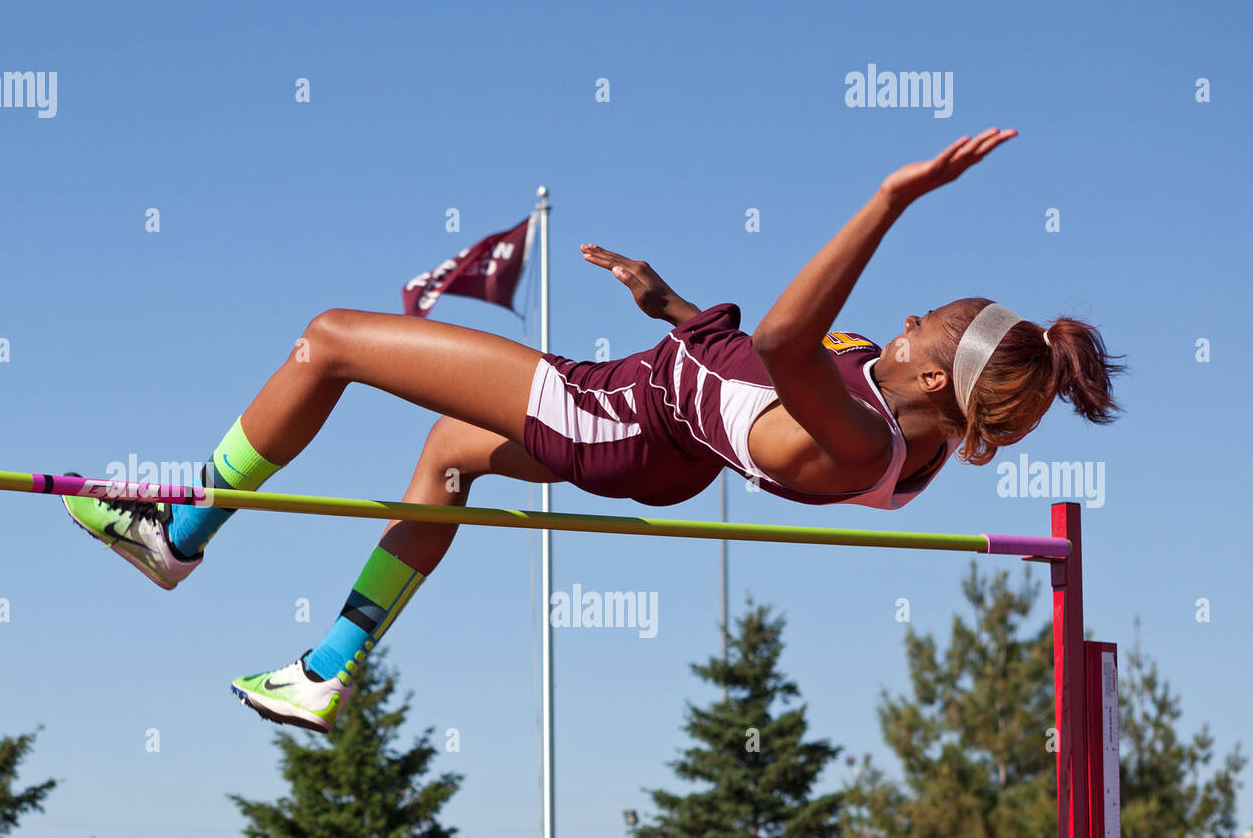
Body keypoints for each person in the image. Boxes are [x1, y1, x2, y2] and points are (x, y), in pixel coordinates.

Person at [60, 132, 1121, 735]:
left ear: (935, 371)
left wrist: (893, 197)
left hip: (614, 415)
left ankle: (178, 532)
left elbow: (789, 339)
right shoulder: (913, 433)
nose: (902, 318)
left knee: (328, 339)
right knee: (445, 453)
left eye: (921, 322)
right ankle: (325, 668)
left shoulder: (860, 434)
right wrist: (670, 306)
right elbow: (750, 378)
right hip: (664, 446)